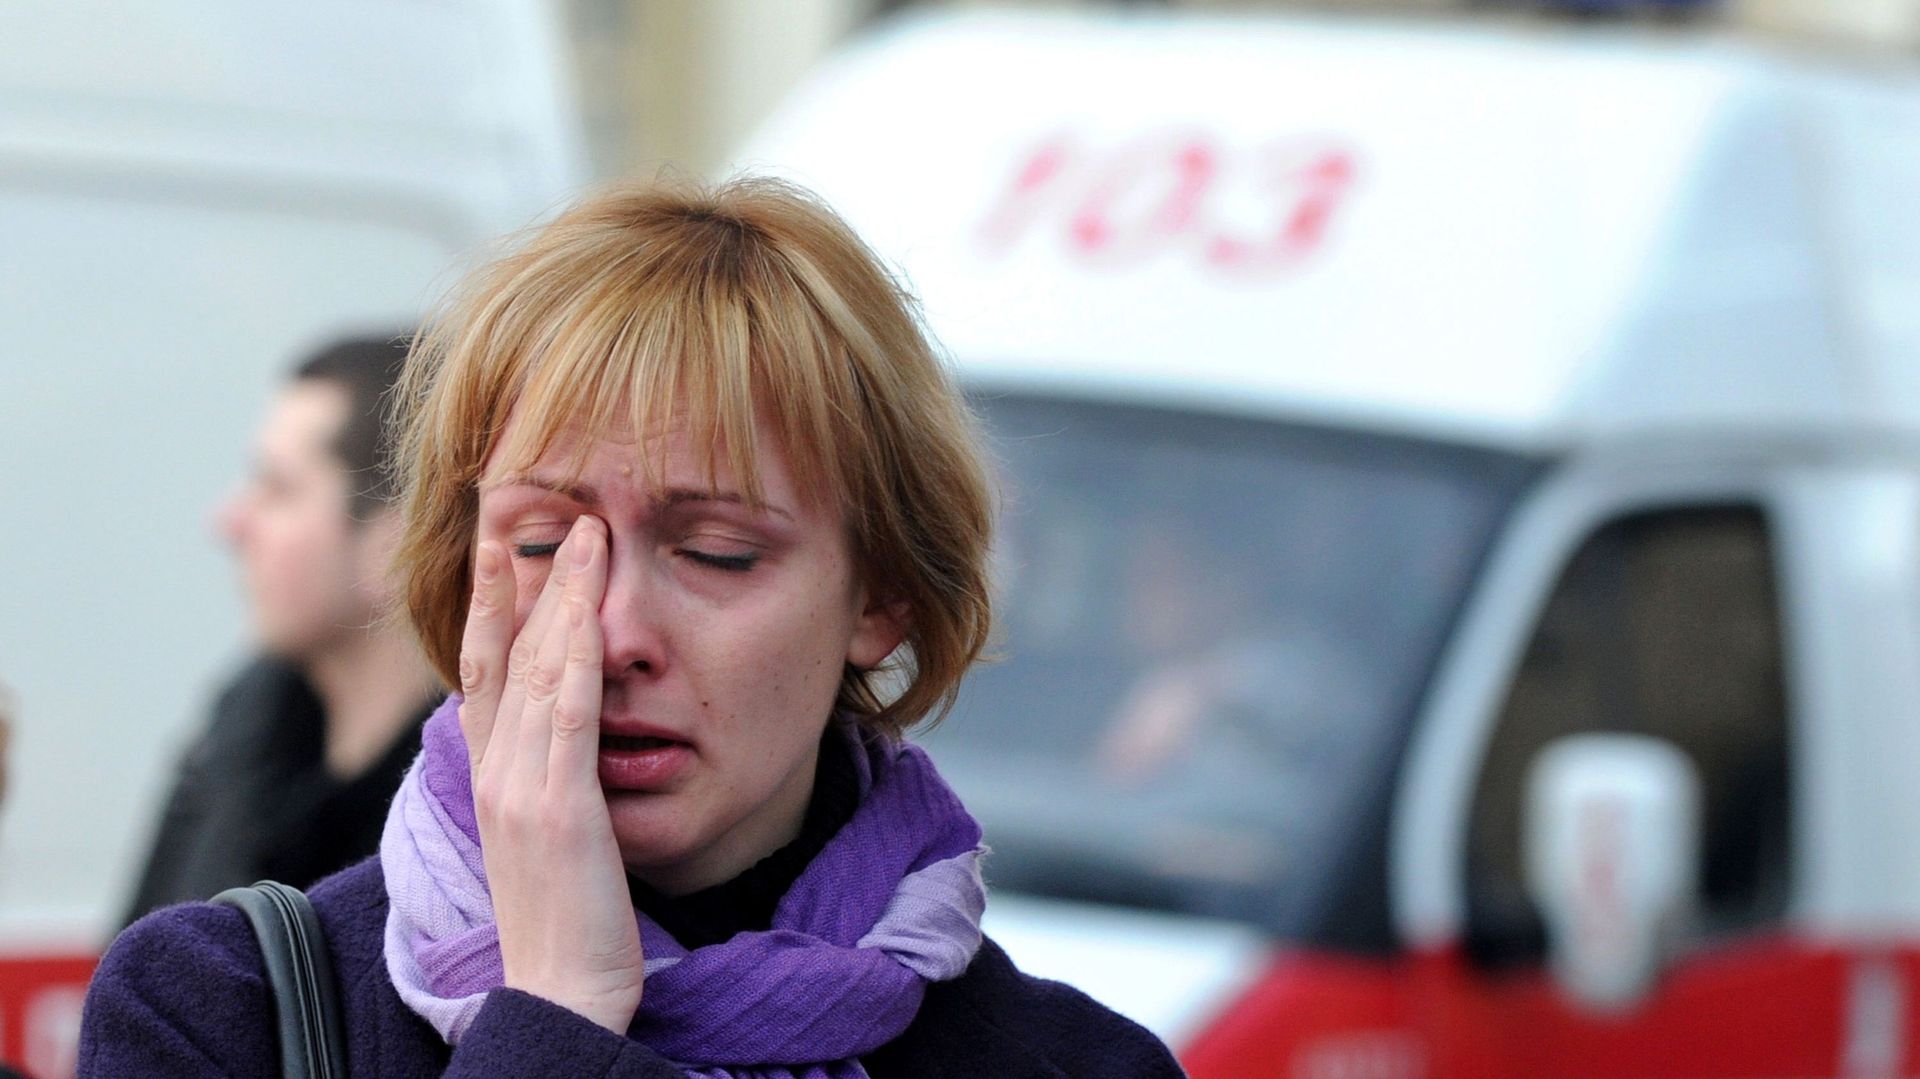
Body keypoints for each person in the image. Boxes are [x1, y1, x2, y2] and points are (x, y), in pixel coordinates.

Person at [79, 178, 1184, 1077]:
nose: (608, 634)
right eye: (543, 541)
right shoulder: (221, 1011)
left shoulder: (1072, 1062)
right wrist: (553, 1014)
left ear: (881, 595)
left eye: (715, 552)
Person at [119, 337, 442, 927]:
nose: (230, 522)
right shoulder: (235, 742)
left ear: (396, 543)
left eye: (279, 488)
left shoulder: (464, 825)